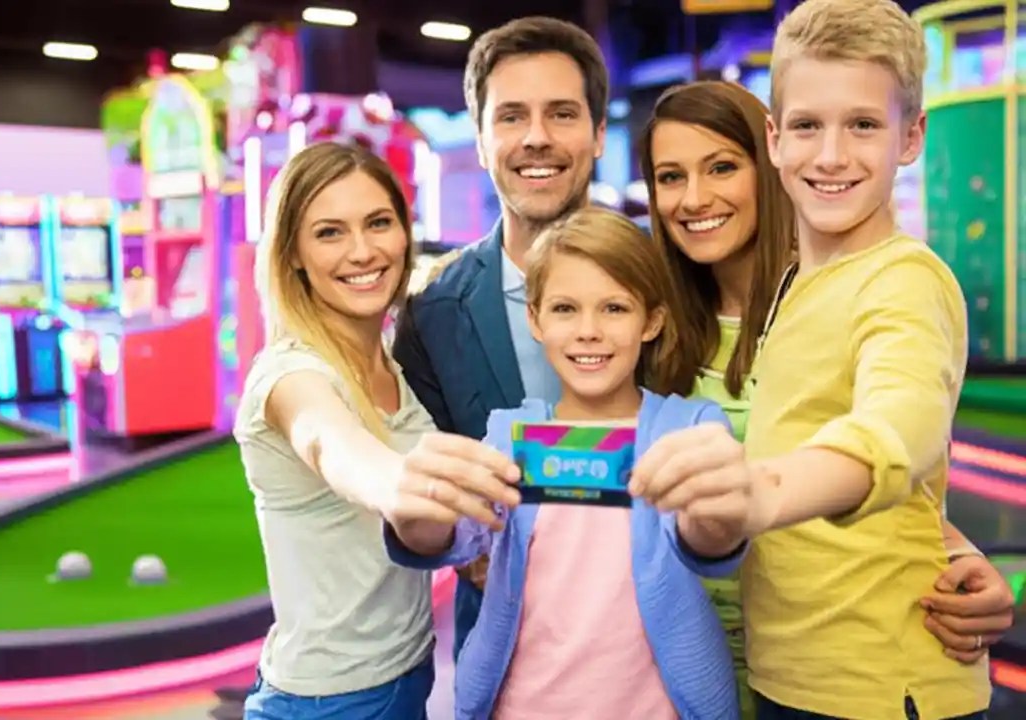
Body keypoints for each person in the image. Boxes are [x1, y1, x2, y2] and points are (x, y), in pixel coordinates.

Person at [631, 1, 994, 717]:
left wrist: (758, 493)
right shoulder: (800, 284)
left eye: (862, 124)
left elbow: (901, 426)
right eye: (806, 126)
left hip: (877, 683)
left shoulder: (904, 280)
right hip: (787, 675)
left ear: (911, 135)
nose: (830, 155)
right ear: (776, 137)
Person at [388, 206, 746, 720]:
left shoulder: (688, 429)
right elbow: (449, 537)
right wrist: (412, 508)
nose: (589, 331)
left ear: (653, 321)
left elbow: (713, 542)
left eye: (615, 309)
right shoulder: (510, 436)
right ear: (535, 319)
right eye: (564, 309)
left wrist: (718, 506)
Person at [233, 141, 522, 719]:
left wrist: (467, 550)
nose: (362, 251)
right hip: (325, 702)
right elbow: (332, 444)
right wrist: (397, 483)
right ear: (293, 253)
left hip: (406, 677)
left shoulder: (390, 359)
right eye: (330, 233)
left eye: (378, 223)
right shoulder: (291, 374)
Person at [392, 14, 607, 661]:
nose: (536, 138)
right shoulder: (433, 313)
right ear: (481, 142)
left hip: (652, 649)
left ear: (599, 134)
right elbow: (419, 490)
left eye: (562, 114)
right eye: (511, 117)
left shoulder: (668, 284)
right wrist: (466, 546)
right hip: (507, 651)